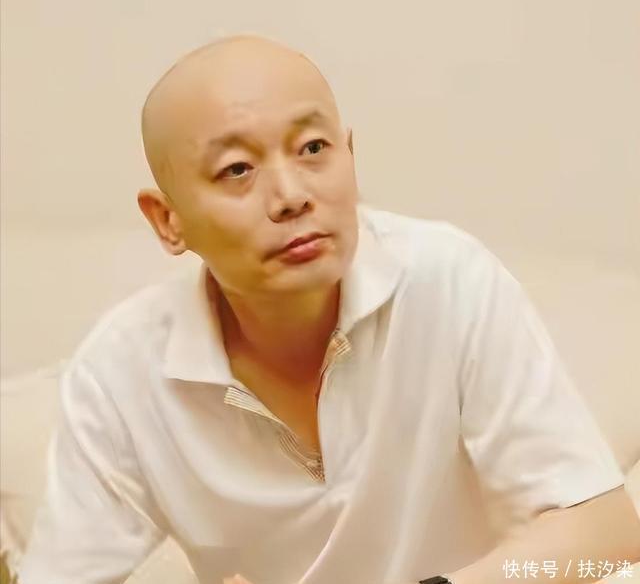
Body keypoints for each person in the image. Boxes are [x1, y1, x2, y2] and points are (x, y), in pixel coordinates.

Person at [18, 34, 640, 584]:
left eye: (313, 148)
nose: (291, 195)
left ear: (350, 153)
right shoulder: (120, 373)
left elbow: (607, 537)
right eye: (237, 169)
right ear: (167, 219)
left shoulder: (449, 280)